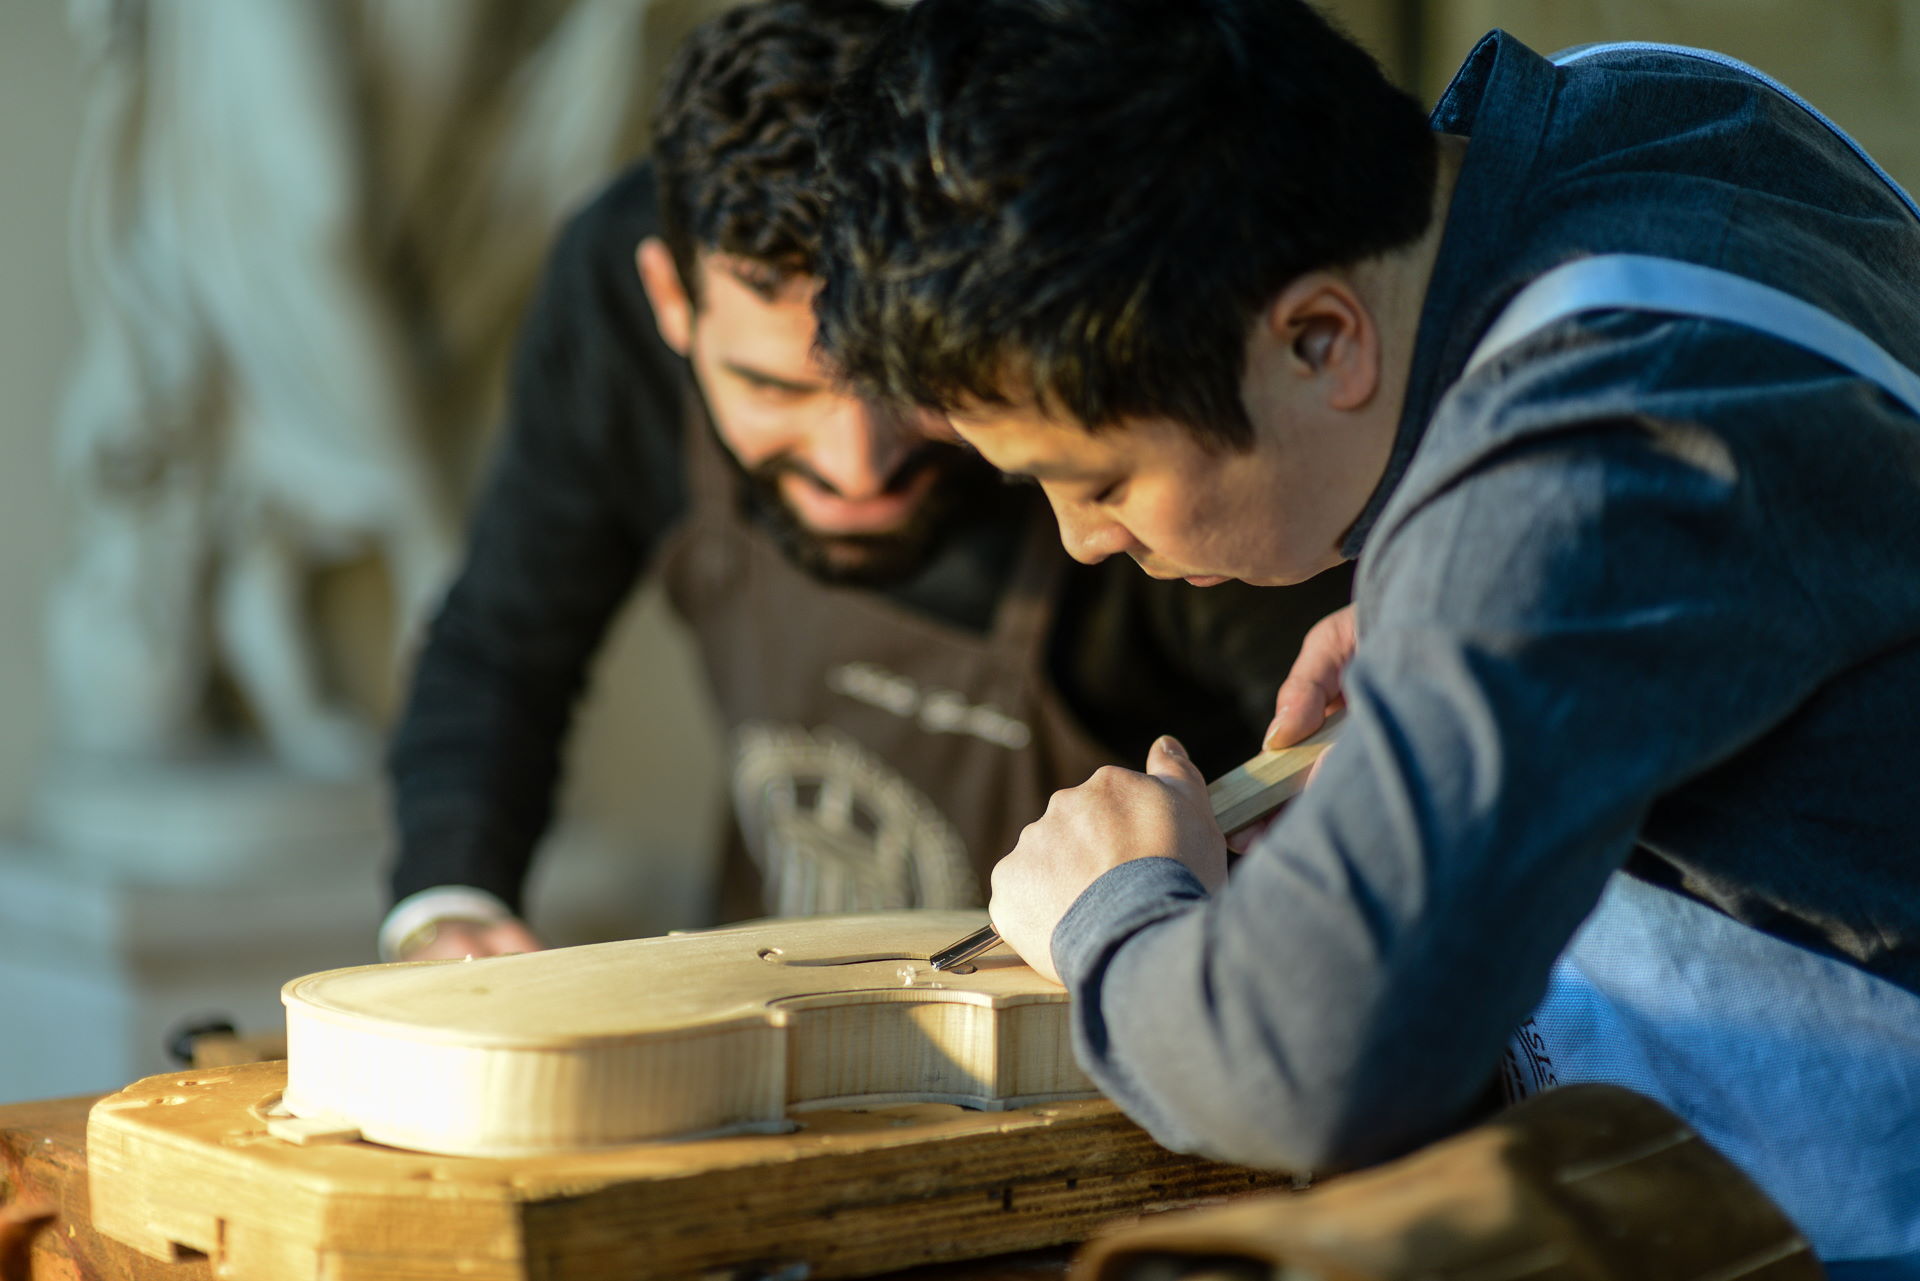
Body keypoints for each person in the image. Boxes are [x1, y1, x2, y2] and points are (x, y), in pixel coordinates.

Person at [811, 0, 1920, 1273]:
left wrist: (1117, 921)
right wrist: (1445, 610)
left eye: (1101, 479)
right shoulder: (1645, 107)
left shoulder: (1571, 473)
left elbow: (1312, 1065)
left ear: (1321, 339)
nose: (1083, 541)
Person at [377, 0, 1352, 966]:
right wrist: (448, 912)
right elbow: (503, 641)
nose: (858, 466)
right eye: (771, 389)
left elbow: (1335, 757)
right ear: (673, 302)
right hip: (770, 991)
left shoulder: (1127, 430)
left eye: (905, 389)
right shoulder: (614, 310)